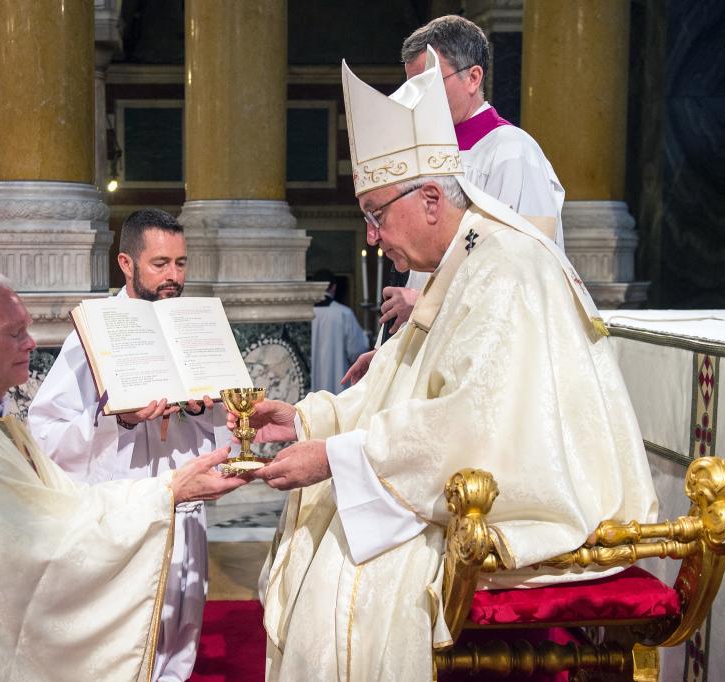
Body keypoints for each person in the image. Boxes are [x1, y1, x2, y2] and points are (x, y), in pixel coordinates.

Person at [238, 49, 656, 681]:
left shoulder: (503, 268)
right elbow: (403, 388)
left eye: (376, 214)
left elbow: (472, 422)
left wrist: (333, 457)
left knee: (353, 578)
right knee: (326, 539)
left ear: (432, 198)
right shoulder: (461, 259)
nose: (372, 237)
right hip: (458, 480)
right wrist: (307, 419)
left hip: (523, 499)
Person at [0, 270, 246, 681]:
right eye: (15, 333)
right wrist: (166, 493)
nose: (31, 343)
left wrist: (170, 488)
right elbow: (41, 556)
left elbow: (65, 505)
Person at [28, 208, 227, 682]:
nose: (173, 277)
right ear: (126, 262)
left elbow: (222, 431)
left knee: (181, 630)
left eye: (181, 263)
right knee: (126, 643)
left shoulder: (194, 328)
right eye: (160, 264)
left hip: (185, 516)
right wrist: (116, 420)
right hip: (126, 511)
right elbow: (46, 431)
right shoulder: (96, 335)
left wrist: (203, 412)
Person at [345, 15, 566, 381]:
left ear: (473, 77)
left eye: (428, 84)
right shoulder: (424, 159)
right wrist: (394, 353)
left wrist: (421, 304)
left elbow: (519, 273)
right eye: (410, 87)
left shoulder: (511, 153)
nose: (415, 100)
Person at [308, 269, 369, 394]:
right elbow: (357, 351)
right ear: (334, 287)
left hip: (307, 389)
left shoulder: (301, 315)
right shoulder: (343, 313)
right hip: (336, 387)